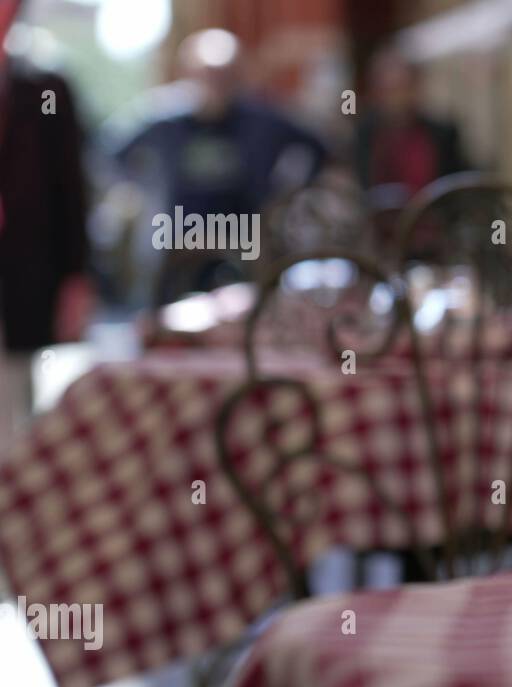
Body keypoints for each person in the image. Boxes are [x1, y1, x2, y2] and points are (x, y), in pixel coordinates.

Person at [114, 29, 328, 298]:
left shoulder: (263, 120)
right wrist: (147, 191)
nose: (216, 84)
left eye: (225, 75)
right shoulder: (164, 120)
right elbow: (114, 153)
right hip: (177, 243)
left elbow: (318, 147)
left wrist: (285, 192)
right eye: (208, 74)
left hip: (246, 242)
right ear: (189, 73)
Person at [0, 0, 93, 447]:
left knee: (15, 404)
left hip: (22, 274)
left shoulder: (45, 87)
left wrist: (75, 277)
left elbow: (69, 190)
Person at [354, 47, 468, 202]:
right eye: (388, 90)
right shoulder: (363, 136)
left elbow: (460, 184)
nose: (395, 99)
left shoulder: (442, 133)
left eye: (401, 88)